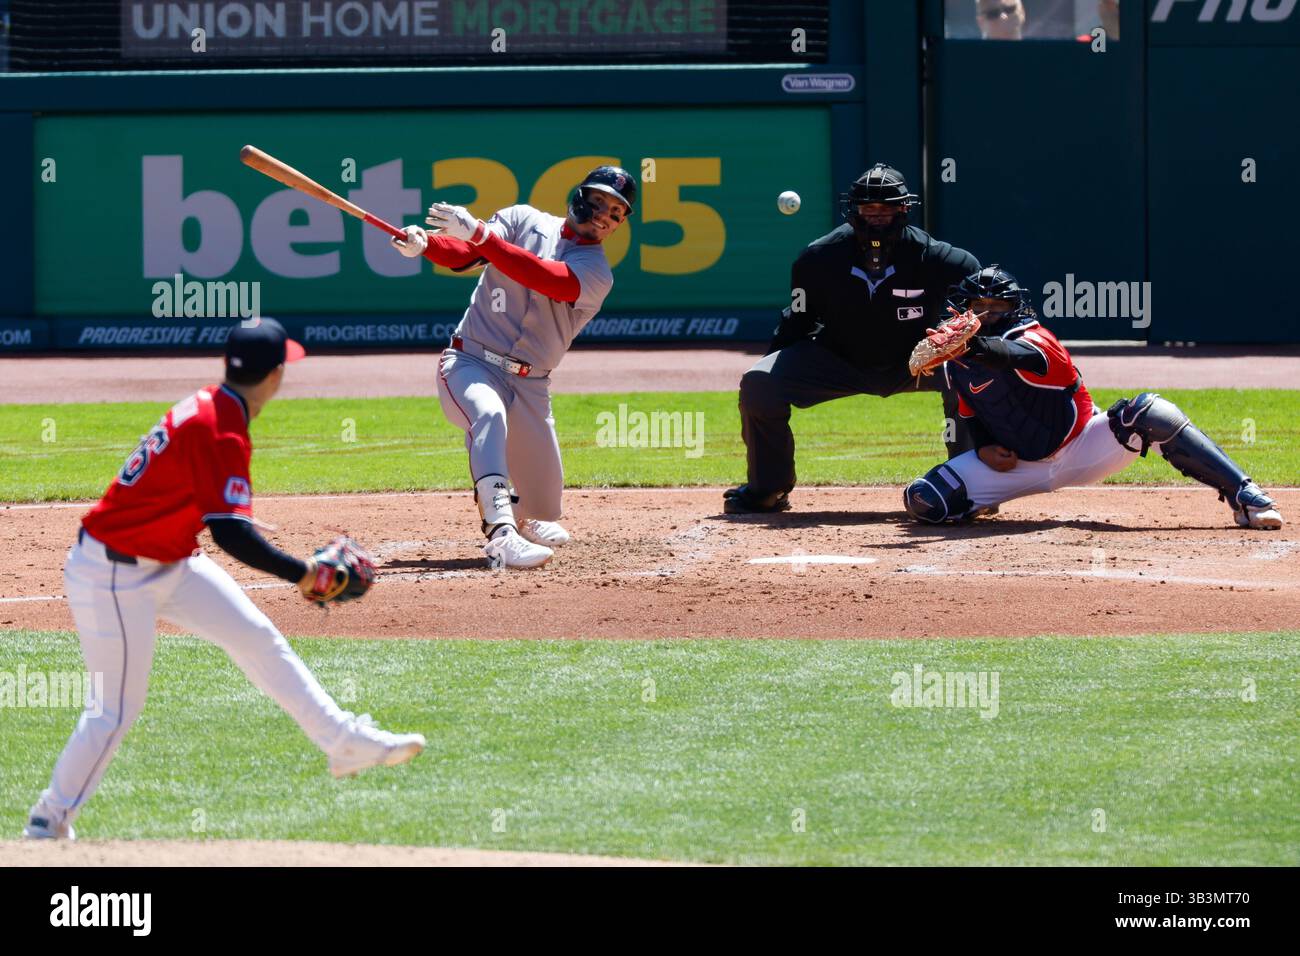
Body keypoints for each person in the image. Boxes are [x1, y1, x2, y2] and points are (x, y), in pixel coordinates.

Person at [23, 319, 425, 841]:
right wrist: (301, 572)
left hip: (167, 561)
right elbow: (230, 535)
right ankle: (49, 819)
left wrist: (274, 554)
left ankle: (342, 741)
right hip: (113, 576)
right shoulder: (222, 428)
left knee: (257, 640)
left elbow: (207, 510)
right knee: (115, 710)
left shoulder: (213, 405)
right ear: (277, 375)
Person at [902, 266, 1284, 530]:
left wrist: (968, 348)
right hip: (1019, 464)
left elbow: (1007, 356)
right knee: (924, 500)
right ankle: (977, 504)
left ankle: (1244, 495)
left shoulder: (1035, 340)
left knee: (1150, 411)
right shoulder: (956, 366)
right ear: (961, 310)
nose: (984, 316)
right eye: (976, 308)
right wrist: (984, 447)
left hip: (1085, 444)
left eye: (996, 308)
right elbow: (971, 414)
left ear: (1013, 309)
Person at [392, 166, 633, 568]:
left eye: (617, 211)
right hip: (471, 361)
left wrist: (479, 235)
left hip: (531, 385)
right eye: (600, 201)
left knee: (545, 503)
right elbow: (468, 253)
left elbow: (546, 278)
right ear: (580, 195)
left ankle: (523, 516)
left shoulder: (597, 272)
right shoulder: (524, 219)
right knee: (487, 414)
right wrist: (426, 245)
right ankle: (501, 533)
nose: (605, 215)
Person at [724, 163, 980, 514]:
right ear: (853, 210)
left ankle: (971, 486)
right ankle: (768, 488)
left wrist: (965, 344)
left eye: (887, 208)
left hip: (917, 361)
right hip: (839, 359)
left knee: (970, 371)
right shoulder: (817, 259)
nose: (877, 217)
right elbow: (796, 323)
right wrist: (769, 375)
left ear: (904, 208)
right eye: (868, 209)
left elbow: (979, 311)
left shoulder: (941, 260)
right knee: (759, 382)